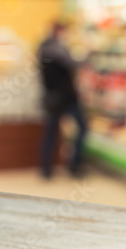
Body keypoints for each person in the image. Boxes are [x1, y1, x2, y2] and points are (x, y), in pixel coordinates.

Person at [37, 22, 87, 178]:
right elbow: (71, 63)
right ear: (60, 31)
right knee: (82, 128)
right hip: (65, 98)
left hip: (51, 97)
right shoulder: (56, 49)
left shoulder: (43, 48)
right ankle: (74, 165)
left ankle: (46, 169)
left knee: (51, 133)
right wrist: (87, 56)